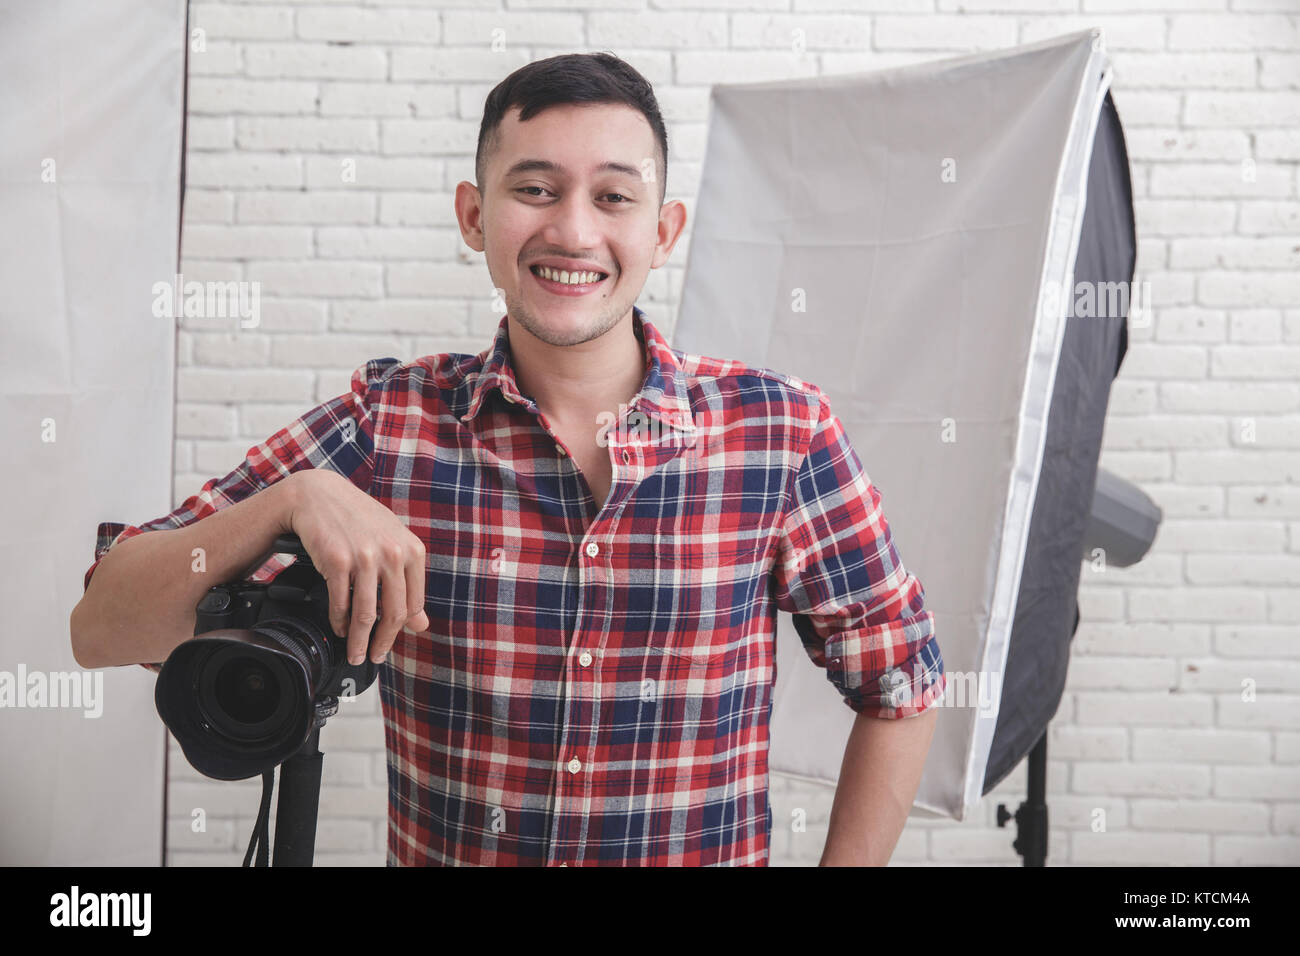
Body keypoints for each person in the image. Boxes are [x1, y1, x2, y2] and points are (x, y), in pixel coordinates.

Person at [70, 51, 945, 867]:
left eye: (613, 197)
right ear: (474, 214)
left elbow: (903, 683)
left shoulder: (779, 431)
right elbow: (103, 626)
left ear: (664, 229)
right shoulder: (391, 424)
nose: (572, 230)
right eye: (535, 187)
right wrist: (293, 498)